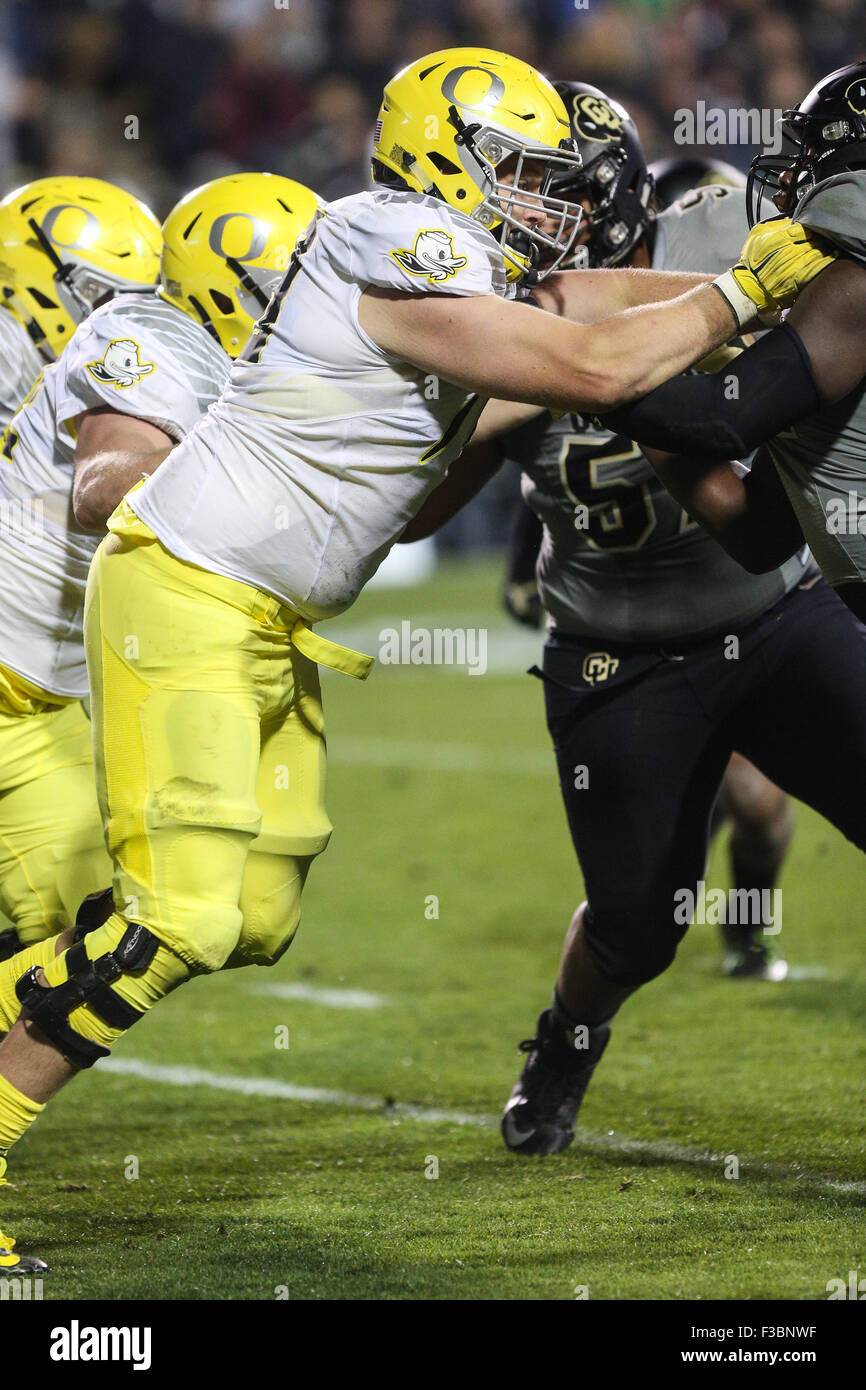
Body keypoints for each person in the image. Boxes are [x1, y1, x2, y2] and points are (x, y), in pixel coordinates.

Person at [0, 47, 829, 1273]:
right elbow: (592, 361)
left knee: (256, 916)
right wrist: (743, 289)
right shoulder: (393, 230)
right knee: (173, 916)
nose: (545, 199)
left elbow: (562, 338)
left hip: (259, 612)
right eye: (521, 172)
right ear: (447, 158)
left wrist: (747, 298)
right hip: (191, 588)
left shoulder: (453, 265)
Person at [400, 81, 866, 1158]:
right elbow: (422, 508)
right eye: (530, 189)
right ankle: (565, 1037)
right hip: (617, 655)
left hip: (771, 606)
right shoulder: (483, 322)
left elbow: (733, 335)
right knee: (634, 925)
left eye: (563, 192)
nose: (546, 212)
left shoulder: (709, 238)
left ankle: (747, 941)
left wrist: (585, 333)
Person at [601, 61, 866, 625]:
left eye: (812, 156)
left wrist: (575, 370)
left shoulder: (854, 285)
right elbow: (761, 535)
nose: (790, 180)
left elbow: (720, 419)